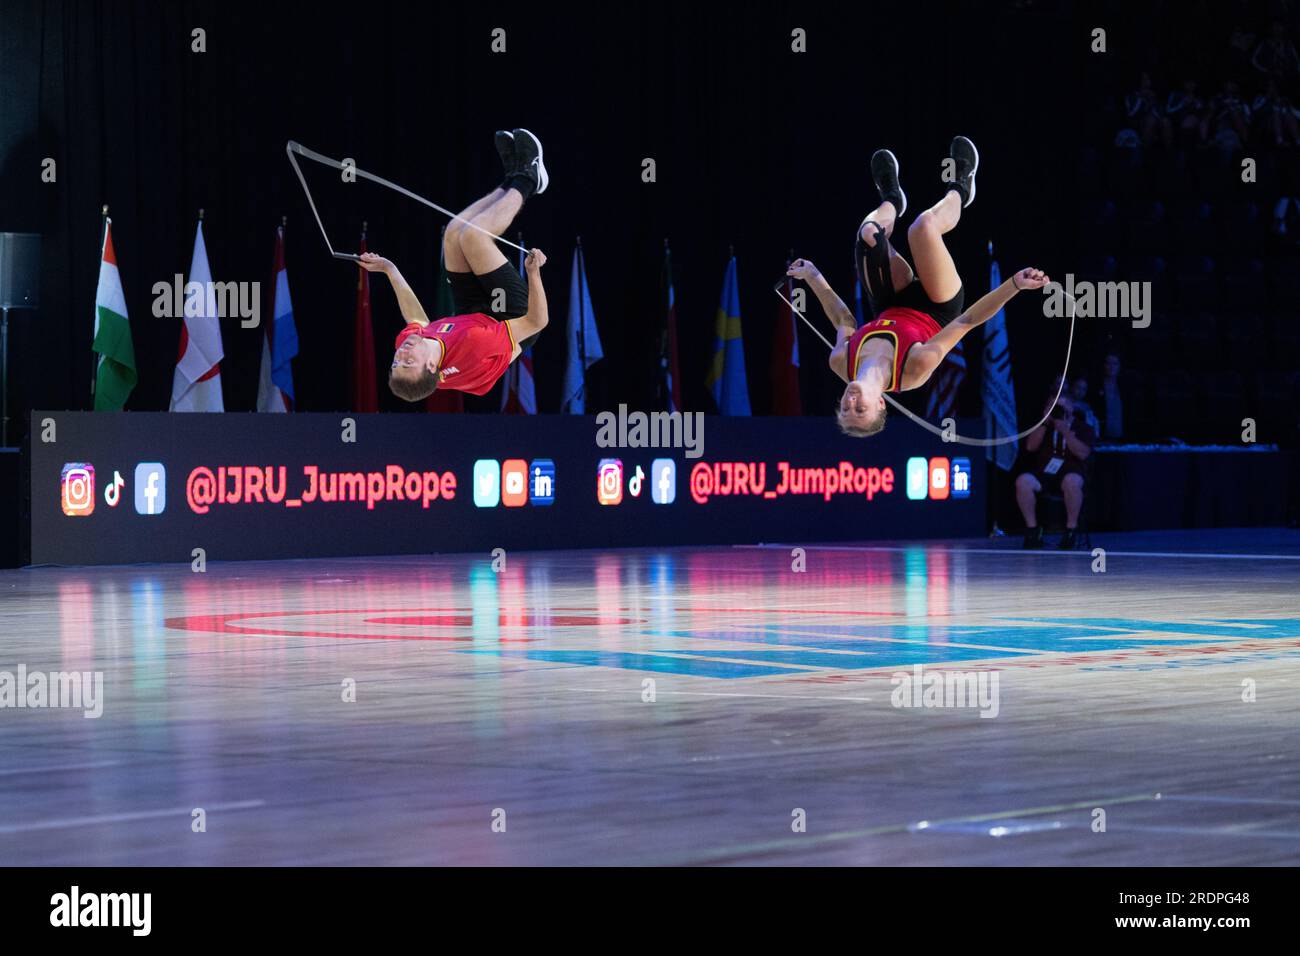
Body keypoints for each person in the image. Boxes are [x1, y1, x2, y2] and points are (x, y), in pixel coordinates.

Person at [789, 138, 1049, 436]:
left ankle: (892, 198)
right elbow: (967, 321)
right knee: (922, 227)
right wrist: (1014, 284)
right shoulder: (914, 368)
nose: (851, 401)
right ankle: (962, 187)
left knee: (868, 235)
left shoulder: (840, 362)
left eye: (845, 409)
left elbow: (843, 320)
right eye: (861, 409)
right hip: (936, 305)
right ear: (882, 404)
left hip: (889, 302)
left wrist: (812, 276)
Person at [362, 129, 551, 401]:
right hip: (512, 318)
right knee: (474, 237)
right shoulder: (475, 344)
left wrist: (390, 270)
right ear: (430, 366)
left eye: (395, 363)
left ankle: (510, 177)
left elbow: (417, 320)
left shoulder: (412, 344)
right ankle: (530, 177)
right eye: (407, 362)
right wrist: (533, 273)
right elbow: (537, 321)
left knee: (452, 233)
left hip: (472, 312)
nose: (400, 354)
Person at [1015, 391, 1096, 550]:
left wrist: (1065, 431)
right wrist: (1045, 423)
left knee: (1071, 481)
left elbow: (1083, 453)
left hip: (1072, 472)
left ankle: (1070, 530)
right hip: (1046, 474)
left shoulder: (1083, 428)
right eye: (1053, 406)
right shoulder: (1045, 426)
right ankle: (1032, 530)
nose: (1057, 410)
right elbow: (1031, 447)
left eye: (1061, 407)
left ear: (1071, 408)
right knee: (1023, 481)